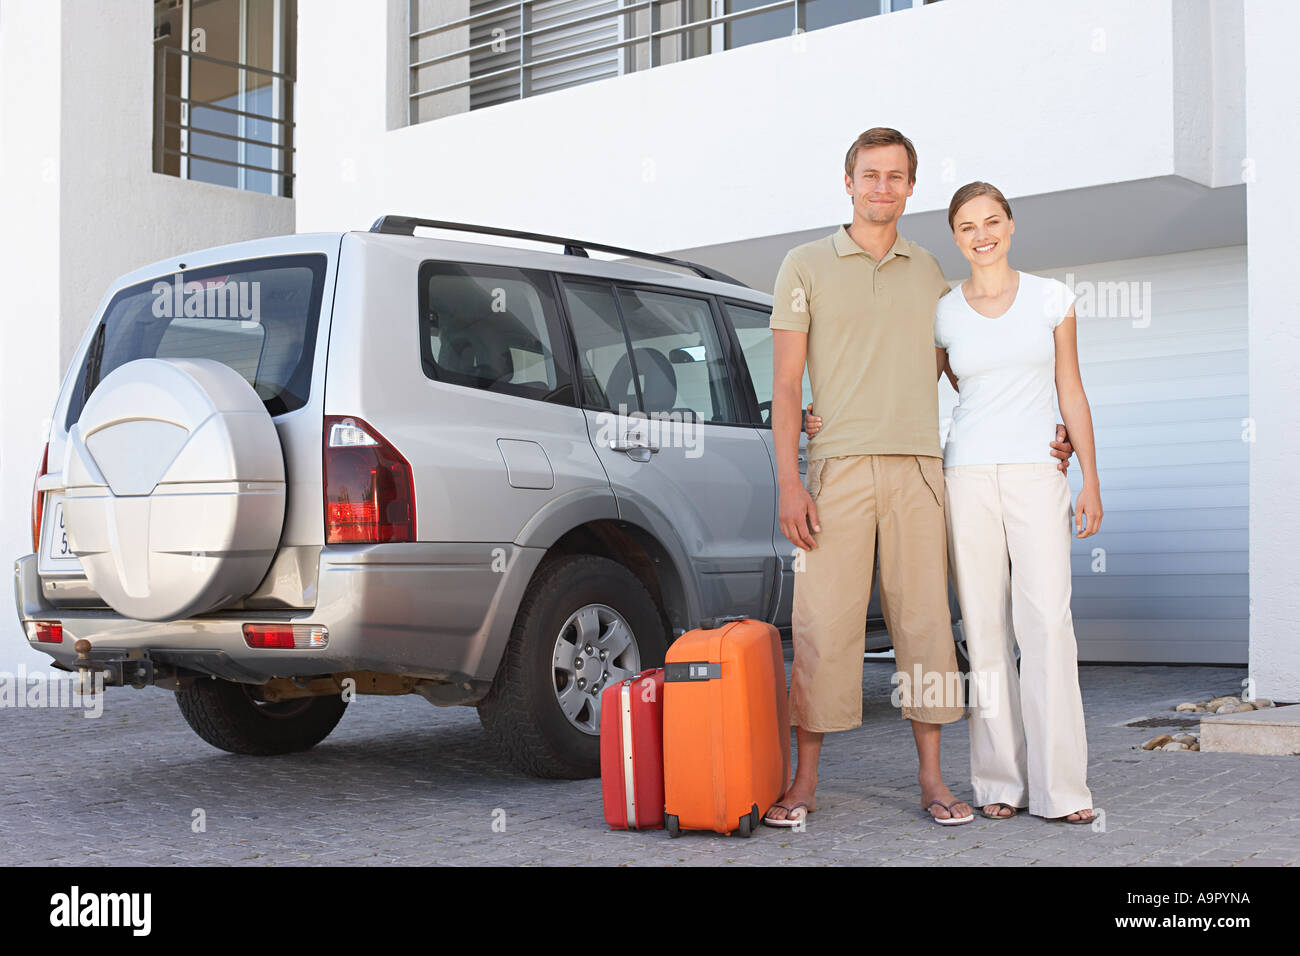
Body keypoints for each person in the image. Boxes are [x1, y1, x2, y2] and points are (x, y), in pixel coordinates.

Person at [764, 130, 1074, 828]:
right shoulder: (804, 265)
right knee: (822, 627)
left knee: (926, 627)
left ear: (910, 187)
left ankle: (933, 779)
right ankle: (803, 782)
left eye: (896, 176)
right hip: (837, 469)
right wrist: (790, 481)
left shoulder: (930, 271)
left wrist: (1044, 429)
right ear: (848, 182)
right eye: (870, 175)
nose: (883, 187)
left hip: (921, 470)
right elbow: (785, 385)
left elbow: (972, 368)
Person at [932, 181, 1099, 823]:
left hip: (1038, 472)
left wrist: (1090, 479)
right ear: (956, 237)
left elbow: (1070, 389)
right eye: (968, 226)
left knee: (1048, 625)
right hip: (967, 475)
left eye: (992, 221)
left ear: (1010, 225)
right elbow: (928, 384)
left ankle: (1063, 791)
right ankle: (999, 783)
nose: (982, 235)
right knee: (984, 628)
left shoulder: (1052, 299)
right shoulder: (944, 312)